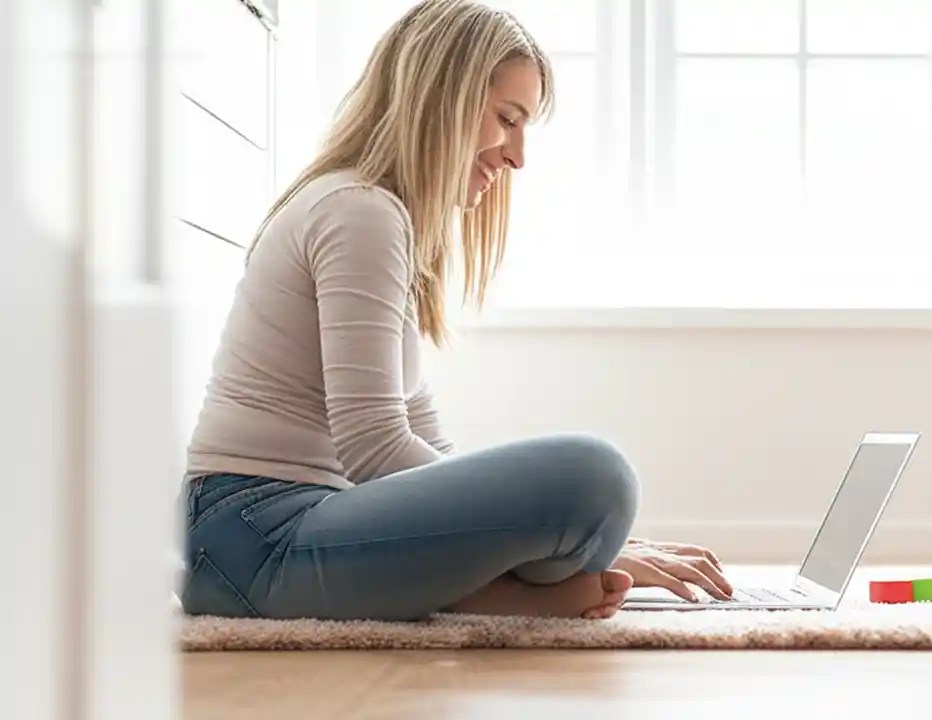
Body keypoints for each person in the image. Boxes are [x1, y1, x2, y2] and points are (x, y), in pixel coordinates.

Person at [179, 0, 731, 622]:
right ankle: (494, 591)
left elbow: (421, 437)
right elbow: (375, 448)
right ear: (443, 99)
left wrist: (547, 537)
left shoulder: (383, 219)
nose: (517, 156)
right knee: (597, 479)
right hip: (251, 538)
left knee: (585, 504)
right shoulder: (359, 212)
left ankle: (488, 594)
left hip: (263, 533)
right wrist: (557, 538)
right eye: (507, 119)